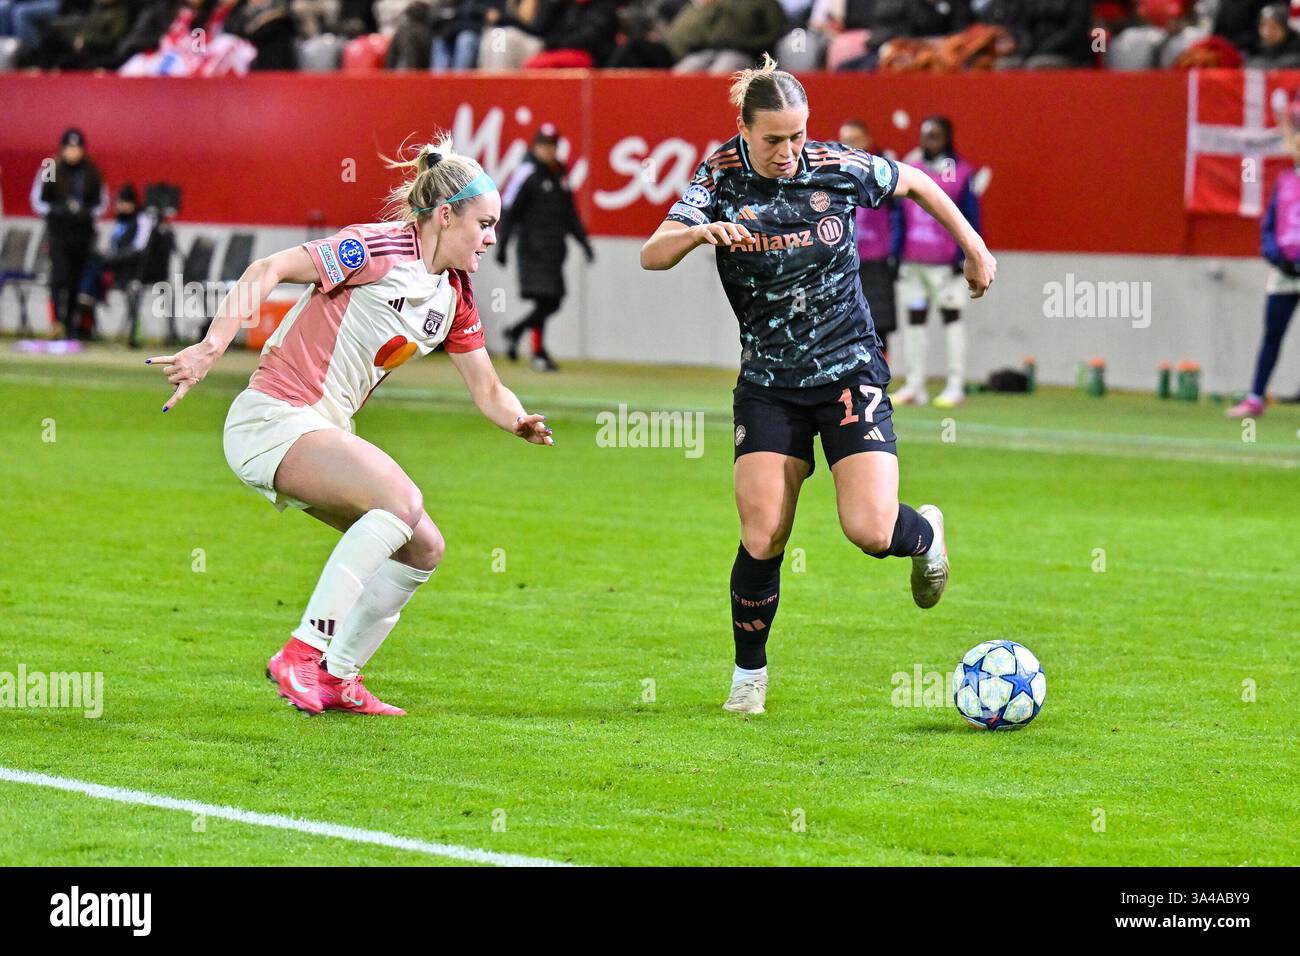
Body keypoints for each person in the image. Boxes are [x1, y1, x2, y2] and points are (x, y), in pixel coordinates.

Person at [147, 135, 555, 716]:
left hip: (323, 430)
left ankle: (339, 676)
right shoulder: (378, 247)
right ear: (446, 215)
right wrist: (212, 348)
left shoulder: (455, 296)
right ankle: (301, 653)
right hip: (273, 417)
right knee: (401, 498)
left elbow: (488, 389)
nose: (491, 238)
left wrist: (517, 419)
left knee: (423, 547)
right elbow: (270, 268)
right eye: (484, 224)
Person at [640, 56, 995, 715]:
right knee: (762, 533)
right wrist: (698, 234)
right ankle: (749, 677)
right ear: (744, 129)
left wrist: (973, 247)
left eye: (798, 135)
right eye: (774, 138)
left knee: (868, 530)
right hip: (769, 384)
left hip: (848, 370)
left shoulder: (838, 166)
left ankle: (926, 536)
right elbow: (651, 252)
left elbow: (916, 182)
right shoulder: (718, 176)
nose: (789, 151)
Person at [892, 116, 981, 408]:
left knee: (951, 319)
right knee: (914, 321)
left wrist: (968, 255)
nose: (929, 141)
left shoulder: (961, 173)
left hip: (947, 265)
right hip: (914, 262)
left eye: (936, 135)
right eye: (925, 135)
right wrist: (896, 252)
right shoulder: (911, 171)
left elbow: (971, 218)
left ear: (948, 137)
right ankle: (915, 385)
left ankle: (955, 385)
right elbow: (899, 216)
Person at [496, 123, 594, 371]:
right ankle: (536, 352)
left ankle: (517, 333)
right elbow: (508, 209)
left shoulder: (558, 173)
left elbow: (568, 212)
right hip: (532, 247)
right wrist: (502, 244)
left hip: (553, 249)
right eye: (544, 145)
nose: (548, 150)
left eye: (552, 146)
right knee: (547, 299)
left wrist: (583, 241)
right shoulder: (526, 172)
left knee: (551, 300)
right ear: (535, 146)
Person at [1228, 110, 1300, 419]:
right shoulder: (1285, 182)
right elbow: (1268, 228)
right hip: (1284, 273)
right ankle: (1255, 397)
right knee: (1272, 334)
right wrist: (1277, 257)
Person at [29, 128, 108, 340]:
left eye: (76, 148)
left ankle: (70, 324)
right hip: (58, 233)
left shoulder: (91, 171)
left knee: (76, 279)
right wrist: (57, 210)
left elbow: (102, 203)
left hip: (81, 234)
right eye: (69, 147)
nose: (72, 152)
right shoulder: (51, 168)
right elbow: (37, 201)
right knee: (58, 278)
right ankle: (56, 322)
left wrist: (84, 212)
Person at [838, 118, 898, 358]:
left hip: (876, 260)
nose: (849, 146)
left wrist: (893, 254)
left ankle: (881, 376)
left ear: (867, 141)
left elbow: (898, 217)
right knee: (843, 321)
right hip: (843, 260)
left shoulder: (883, 174)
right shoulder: (834, 175)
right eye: (844, 141)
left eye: (854, 140)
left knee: (879, 321)